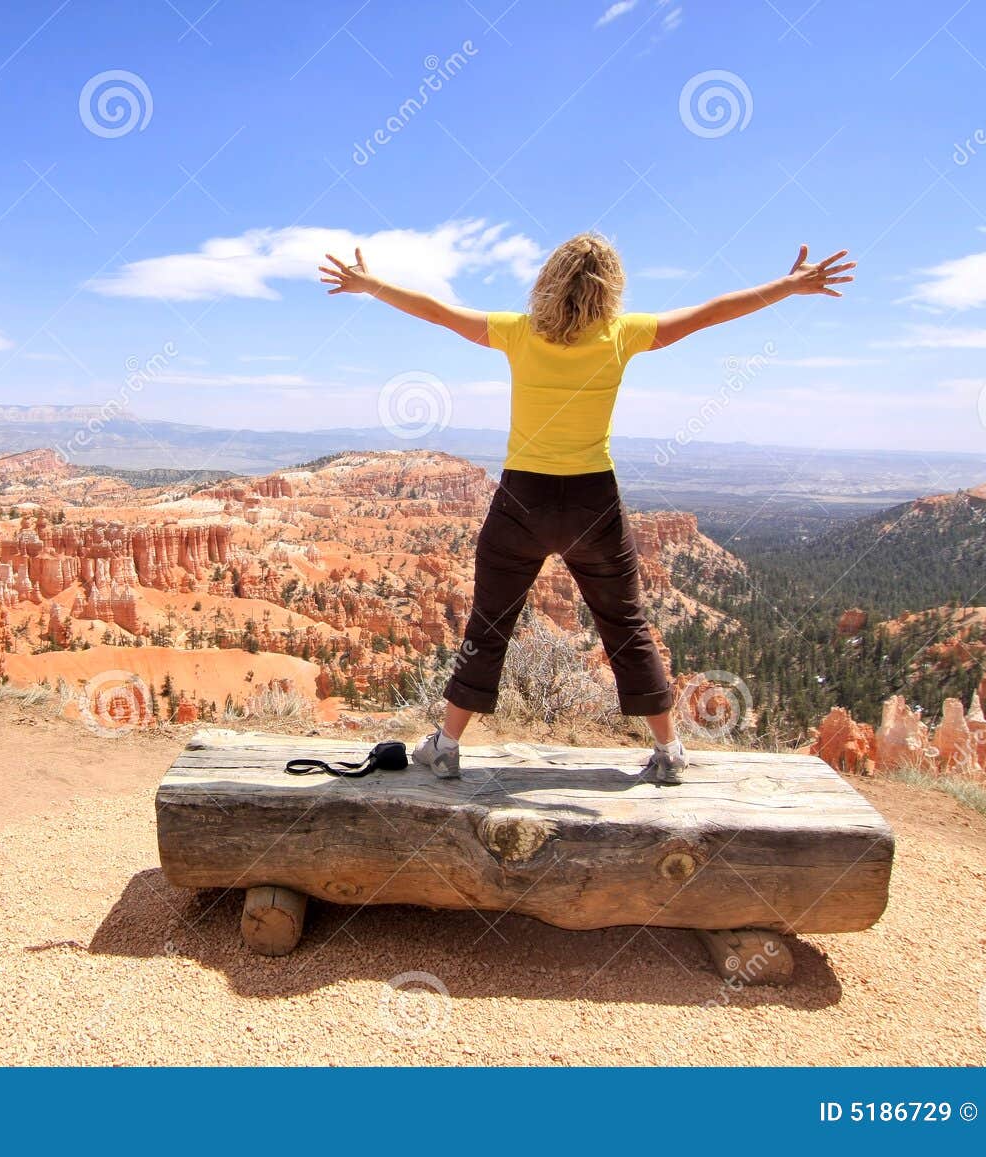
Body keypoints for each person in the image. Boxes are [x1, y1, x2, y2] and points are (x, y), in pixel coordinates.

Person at [319, 235, 853, 784]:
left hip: (521, 500)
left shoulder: (518, 332)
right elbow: (710, 313)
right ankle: (669, 752)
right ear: (610, 288)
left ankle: (447, 745)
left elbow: (437, 312)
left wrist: (370, 284)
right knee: (625, 625)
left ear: (549, 280)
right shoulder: (623, 335)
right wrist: (789, 287)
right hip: (593, 501)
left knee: (488, 625)